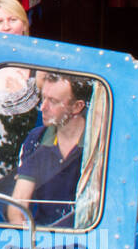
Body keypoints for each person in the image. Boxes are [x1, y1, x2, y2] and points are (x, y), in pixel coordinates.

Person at [5, 72, 91, 227]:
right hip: (41, 237)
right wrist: (20, 229)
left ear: (77, 106)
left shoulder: (96, 143)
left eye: (53, 101)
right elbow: (18, 204)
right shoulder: (36, 139)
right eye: (43, 98)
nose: (43, 107)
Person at [0, 0, 41, 176]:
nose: (6, 27)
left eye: (13, 20)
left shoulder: (39, 66)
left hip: (29, 166)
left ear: (25, 25)